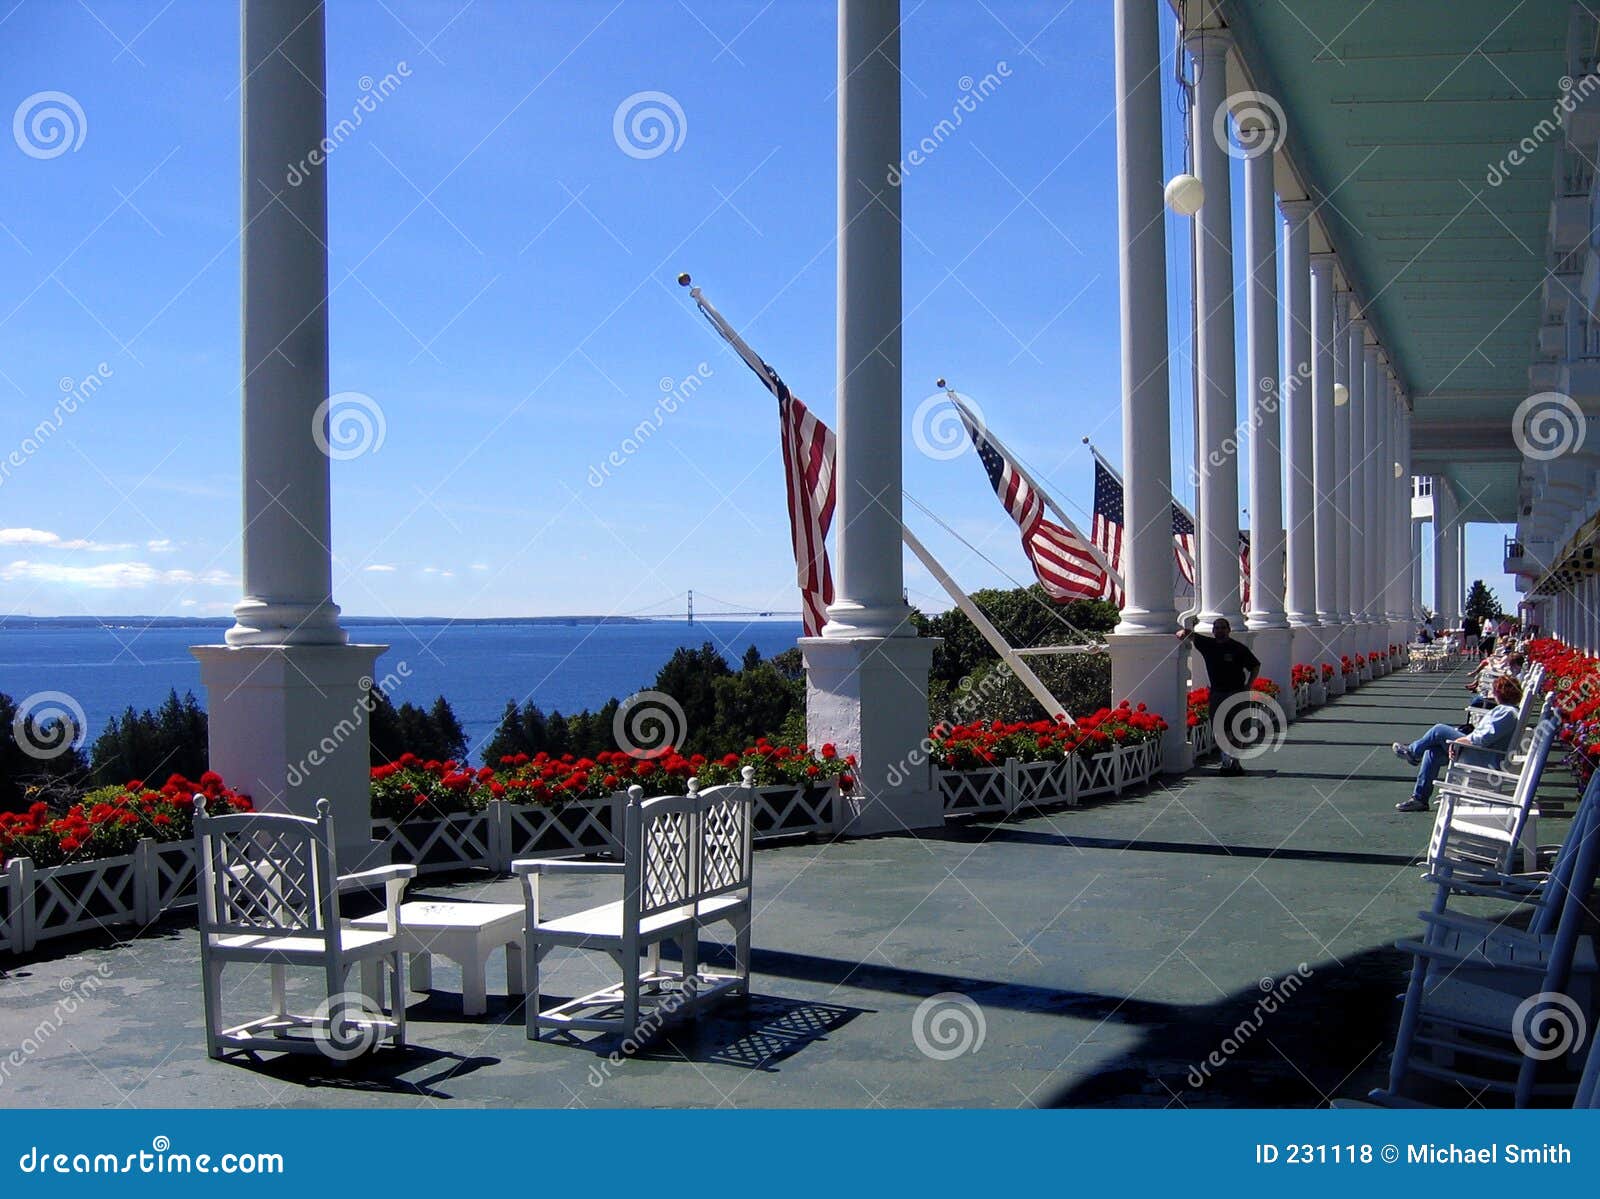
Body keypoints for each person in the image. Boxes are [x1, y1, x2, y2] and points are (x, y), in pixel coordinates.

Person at [1389, 674, 1523, 813]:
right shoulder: (1508, 711)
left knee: (1438, 729)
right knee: (1432, 753)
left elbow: (1482, 739)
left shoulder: (1506, 712)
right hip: (1481, 753)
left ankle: (1412, 752)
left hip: (1482, 756)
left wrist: (1459, 741)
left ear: (1499, 692)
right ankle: (1419, 799)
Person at [1176, 616, 1260, 776]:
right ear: (1213, 631)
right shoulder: (1208, 645)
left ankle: (1235, 762)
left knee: (1238, 729)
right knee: (1220, 728)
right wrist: (1182, 632)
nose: (1220, 630)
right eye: (1217, 628)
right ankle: (1225, 760)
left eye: (1223, 627)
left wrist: (1248, 685)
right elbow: (1190, 634)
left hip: (1236, 692)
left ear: (1229, 630)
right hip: (1218, 693)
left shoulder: (1238, 648)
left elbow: (1255, 665)